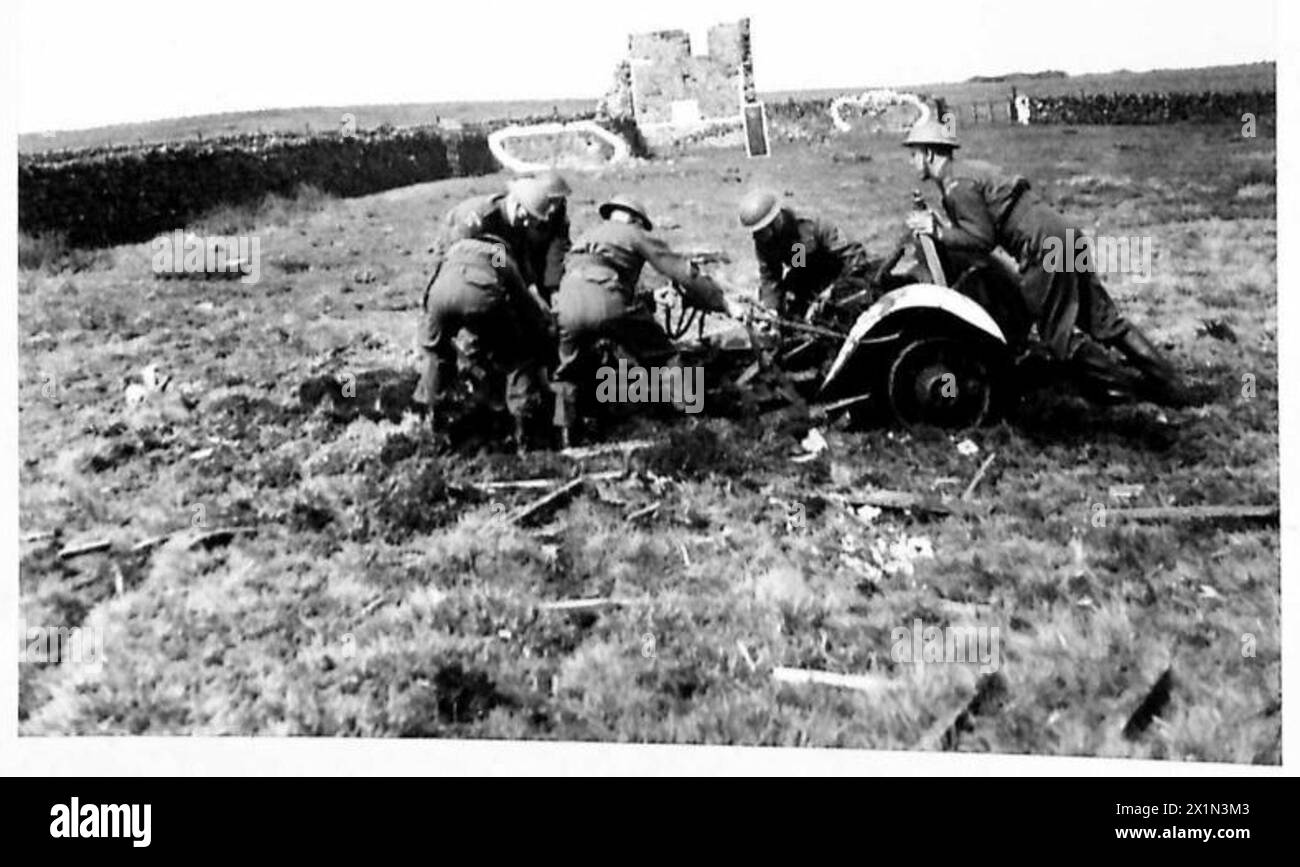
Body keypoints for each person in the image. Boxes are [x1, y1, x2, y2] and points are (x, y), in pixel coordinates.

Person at [901, 117, 1191, 406]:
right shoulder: (966, 172)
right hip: (1063, 234)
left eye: (914, 153)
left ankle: (1124, 397)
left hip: (1043, 245)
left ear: (928, 153)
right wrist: (943, 227)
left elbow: (982, 241)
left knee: (1057, 333)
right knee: (1103, 319)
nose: (911, 161)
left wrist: (937, 231)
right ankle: (1172, 387)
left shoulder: (956, 187)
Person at [552, 195, 729, 446]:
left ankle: (566, 439)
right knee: (663, 356)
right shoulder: (632, 234)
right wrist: (720, 301)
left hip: (567, 305)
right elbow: (681, 271)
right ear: (634, 220)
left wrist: (650, 297)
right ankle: (693, 419)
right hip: (608, 302)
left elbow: (587, 276)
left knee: (568, 371)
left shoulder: (586, 238)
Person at [414, 232, 555, 454]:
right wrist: (542, 329)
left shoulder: (454, 249)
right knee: (518, 359)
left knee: (437, 357)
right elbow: (523, 302)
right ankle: (524, 434)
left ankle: (428, 423)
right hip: (479, 297)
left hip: (439, 298)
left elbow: (430, 291)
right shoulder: (498, 254)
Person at [737, 189, 879, 321]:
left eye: (763, 231)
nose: (760, 237)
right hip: (808, 274)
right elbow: (770, 278)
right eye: (757, 233)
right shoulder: (765, 241)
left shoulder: (811, 224)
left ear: (776, 221)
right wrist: (771, 310)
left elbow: (853, 255)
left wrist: (835, 289)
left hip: (841, 272)